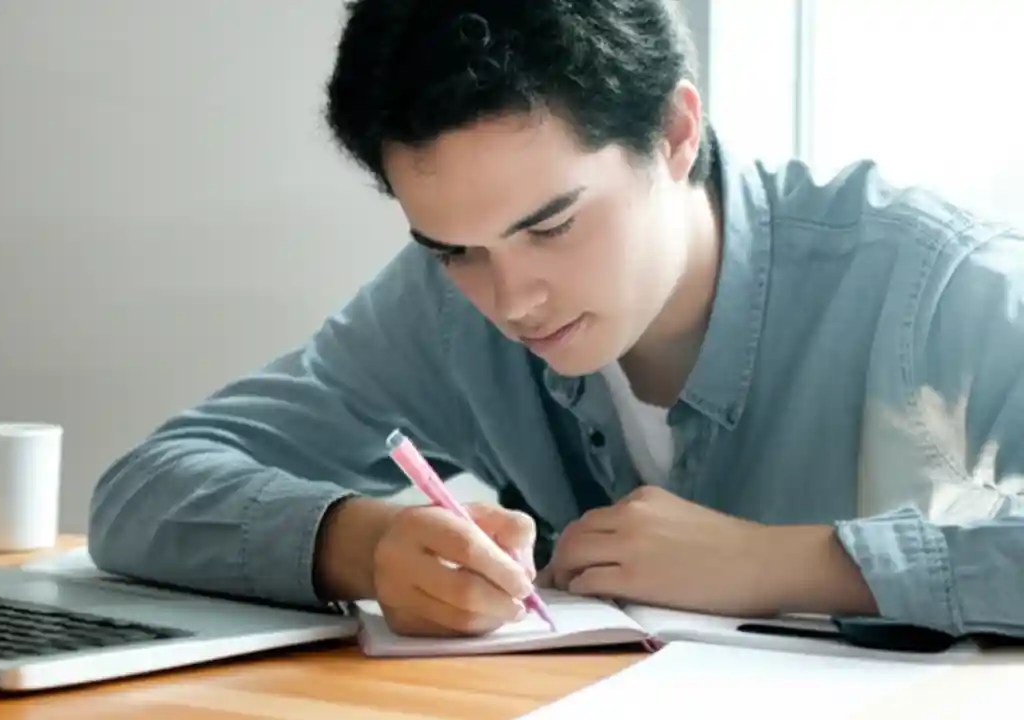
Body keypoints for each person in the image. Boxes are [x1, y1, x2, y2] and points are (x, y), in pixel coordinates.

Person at [89, 0, 1024, 641]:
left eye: (553, 226)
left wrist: (794, 564)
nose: (511, 300)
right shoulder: (439, 306)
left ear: (674, 133)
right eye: (454, 248)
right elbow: (141, 493)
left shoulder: (932, 280)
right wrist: (366, 547)